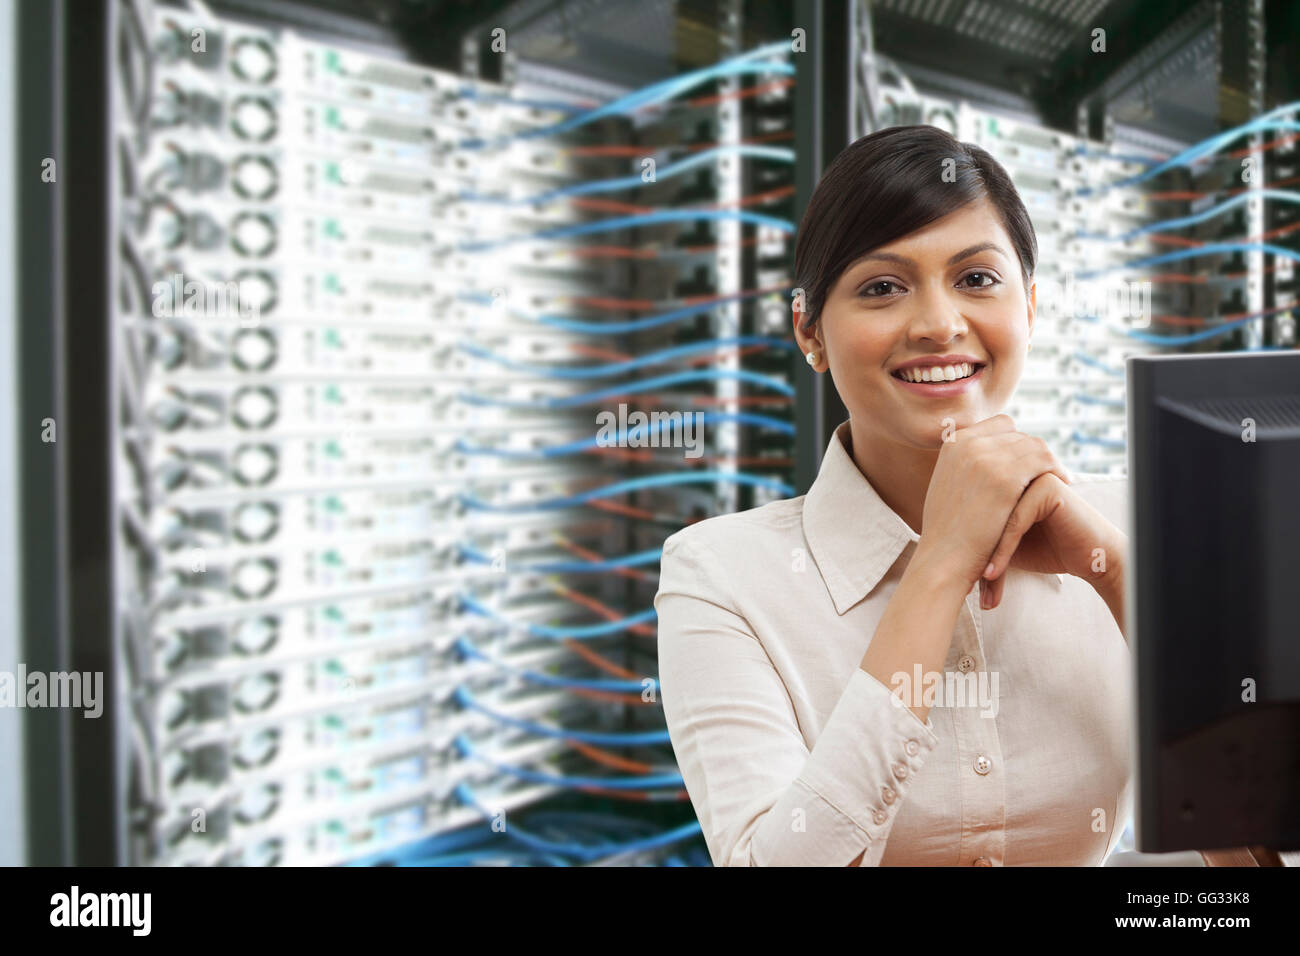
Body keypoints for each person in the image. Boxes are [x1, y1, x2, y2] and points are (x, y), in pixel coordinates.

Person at [654, 124, 1132, 866]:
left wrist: (1116, 573)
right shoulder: (719, 578)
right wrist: (939, 566)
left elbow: (1266, 841)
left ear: (1030, 308)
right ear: (809, 331)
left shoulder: (1127, 521)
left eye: (977, 279)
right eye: (882, 287)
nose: (940, 325)